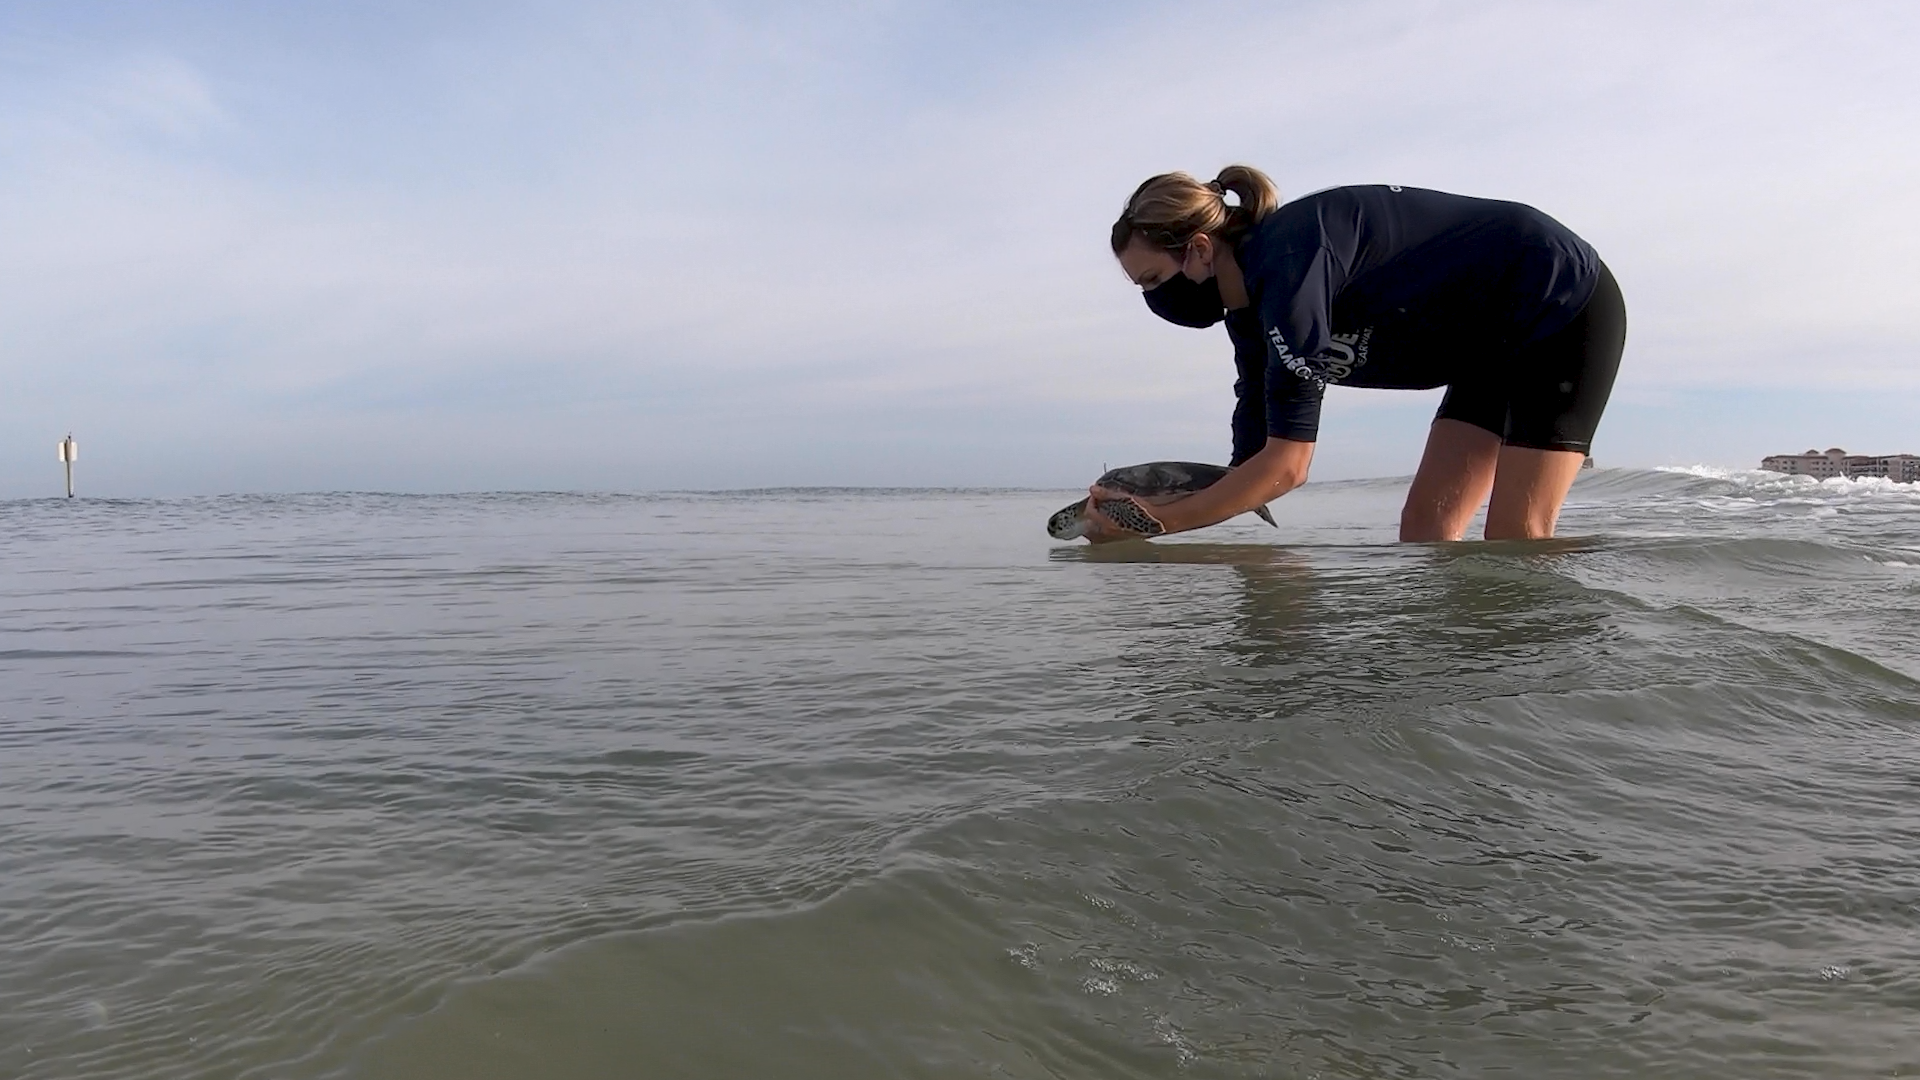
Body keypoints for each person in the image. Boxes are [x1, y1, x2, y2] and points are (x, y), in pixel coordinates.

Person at [1084, 166, 1625, 543]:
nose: (1157, 299)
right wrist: (1139, 505)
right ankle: (1467, 689)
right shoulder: (1251, 318)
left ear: (1199, 250)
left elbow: (1289, 466)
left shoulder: (1291, 268)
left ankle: (1629, 618)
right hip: (1485, 347)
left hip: (1558, 306)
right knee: (1425, 533)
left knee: (1517, 533)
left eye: (1154, 279)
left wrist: (1157, 525)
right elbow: (1251, 470)